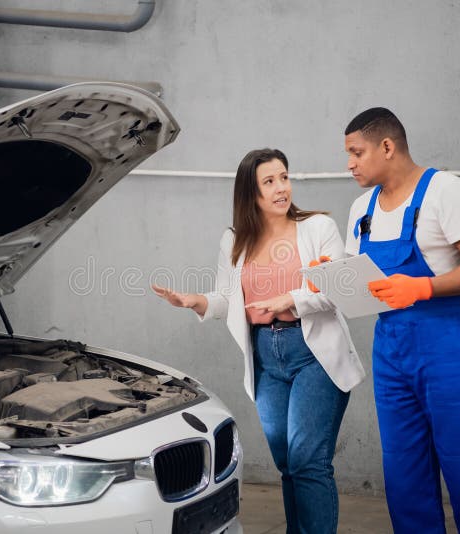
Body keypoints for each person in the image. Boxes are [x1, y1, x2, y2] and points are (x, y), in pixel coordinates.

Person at [153, 148, 365, 534]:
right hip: (266, 355)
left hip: (313, 354)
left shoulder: (317, 228)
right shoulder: (234, 239)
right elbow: (227, 300)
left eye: (283, 177)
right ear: (251, 194)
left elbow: (341, 289)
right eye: (269, 182)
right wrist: (194, 301)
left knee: (307, 462)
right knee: (287, 462)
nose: (281, 188)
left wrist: (290, 300)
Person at [343, 107, 460, 533]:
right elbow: (362, 284)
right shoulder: (362, 209)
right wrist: (337, 275)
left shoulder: (446, 192)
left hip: (450, 347)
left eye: (357, 152)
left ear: (387, 146)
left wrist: (423, 288)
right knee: (405, 479)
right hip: (392, 350)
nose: (350, 164)